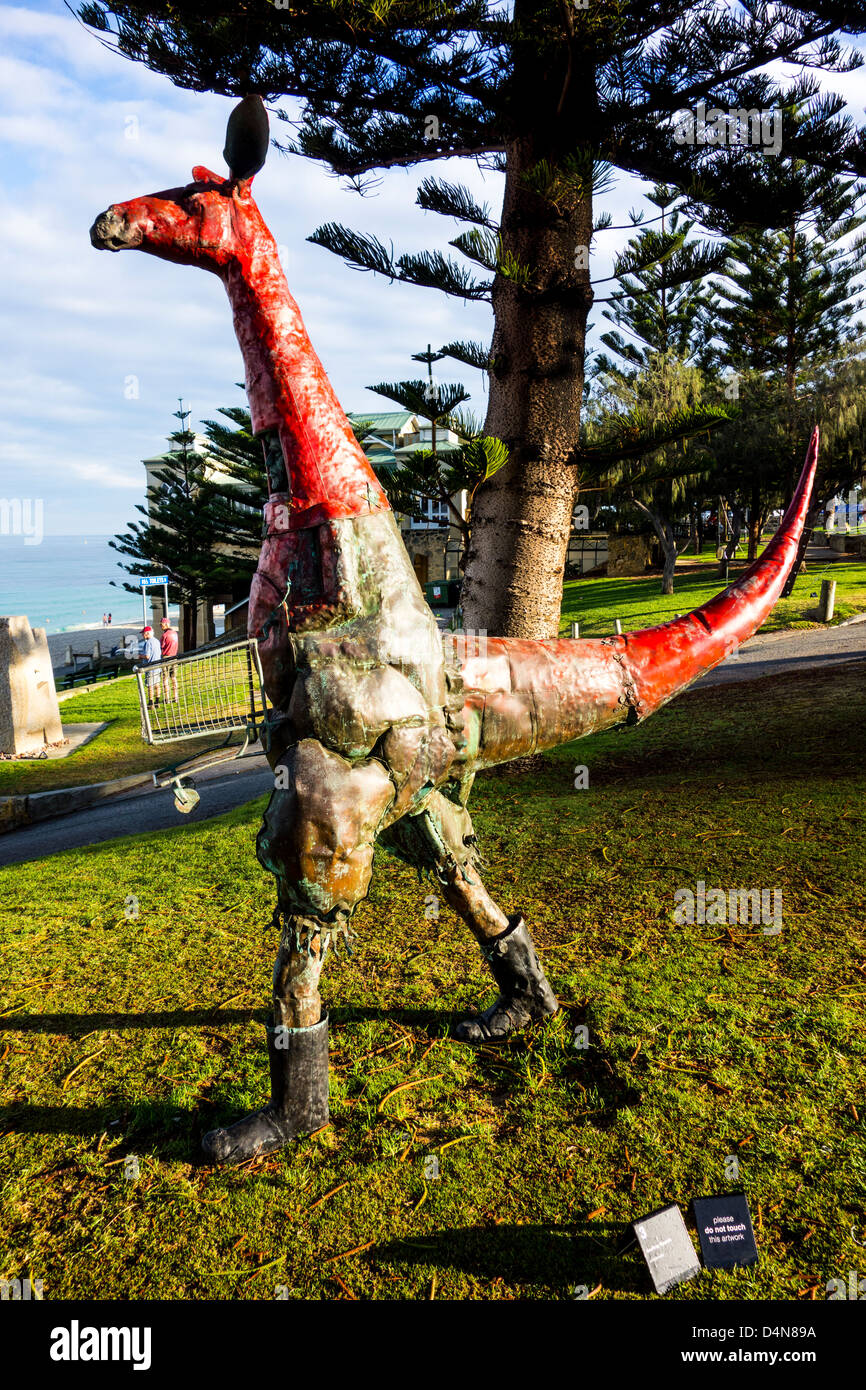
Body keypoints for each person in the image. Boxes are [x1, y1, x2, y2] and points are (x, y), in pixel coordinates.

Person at [139, 625, 162, 707]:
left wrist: (140, 656)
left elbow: (147, 656)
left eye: (143, 634)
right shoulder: (157, 641)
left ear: (147, 633)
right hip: (158, 666)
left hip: (150, 667)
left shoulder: (148, 643)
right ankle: (157, 701)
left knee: (150, 686)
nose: (142, 635)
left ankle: (151, 702)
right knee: (157, 685)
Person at [160, 617, 179, 702]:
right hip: (174, 657)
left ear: (166, 624)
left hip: (166, 657)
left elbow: (161, 647)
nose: (161, 626)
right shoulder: (175, 633)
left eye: (162, 624)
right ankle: (176, 697)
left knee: (165, 678)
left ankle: (167, 698)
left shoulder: (164, 635)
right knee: (174, 678)